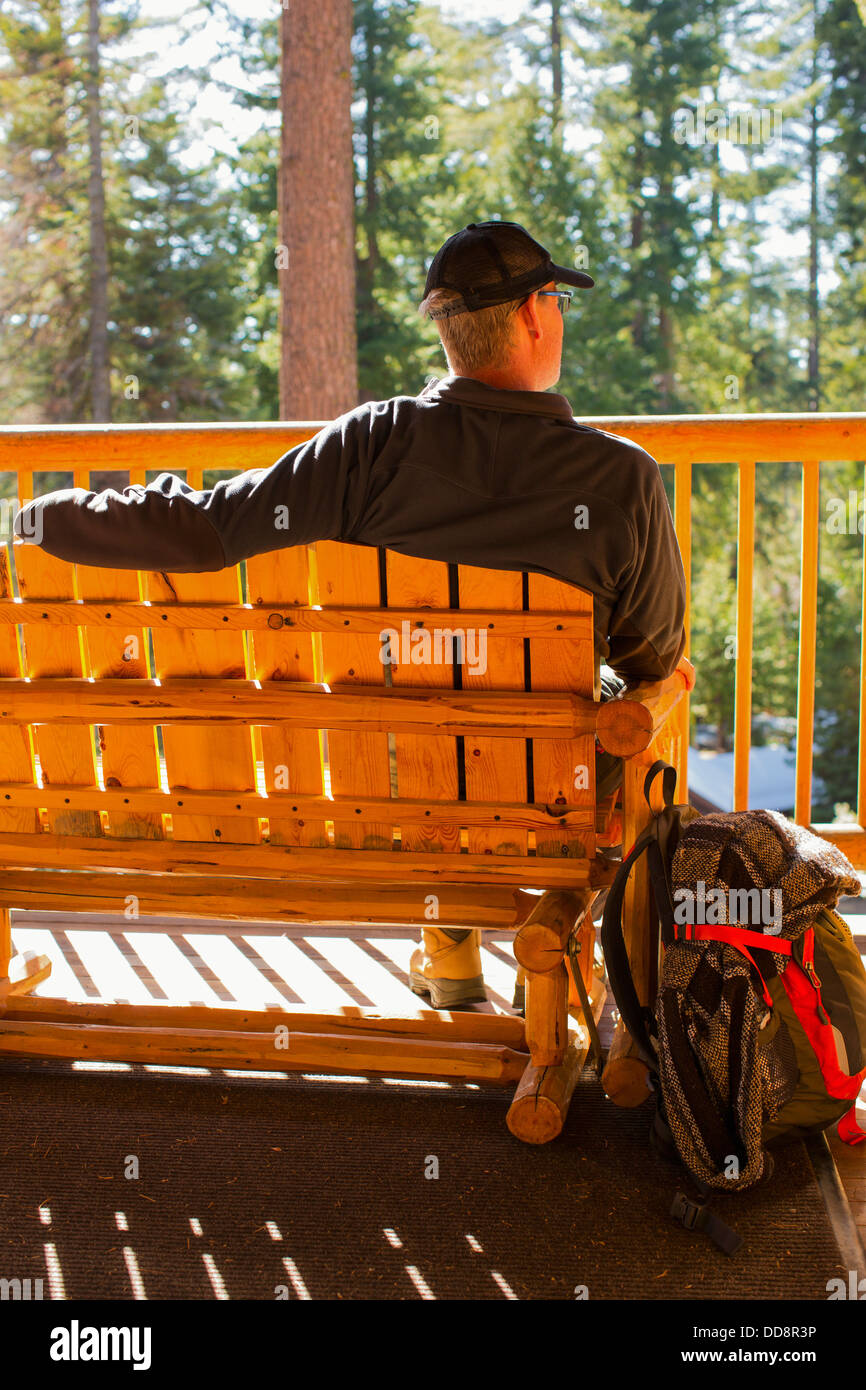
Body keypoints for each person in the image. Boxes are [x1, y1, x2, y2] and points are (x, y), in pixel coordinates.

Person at [14, 219, 687, 1011]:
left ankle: (450, 948)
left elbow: (204, 529)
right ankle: (587, 965)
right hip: (552, 796)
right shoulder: (622, 478)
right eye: (556, 300)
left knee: (438, 724)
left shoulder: (370, 445)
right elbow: (653, 655)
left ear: (449, 330)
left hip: (386, 788)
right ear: (535, 315)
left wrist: (41, 517)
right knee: (632, 708)